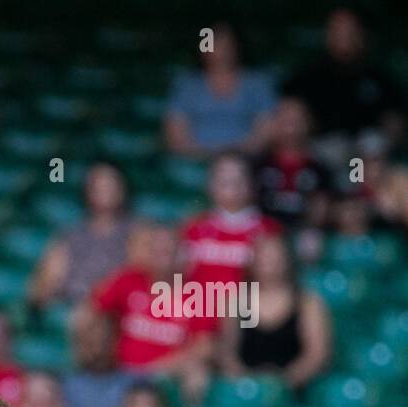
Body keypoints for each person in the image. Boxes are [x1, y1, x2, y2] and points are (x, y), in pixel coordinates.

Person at [76, 223, 215, 403]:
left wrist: (156, 369)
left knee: (197, 373)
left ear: (180, 254)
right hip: (120, 372)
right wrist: (91, 348)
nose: (162, 256)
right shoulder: (129, 280)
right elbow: (90, 311)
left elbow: (204, 347)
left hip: (166, 378)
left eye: (168, 250)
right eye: (157, 250)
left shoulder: (197, 292)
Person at [282, 8, 405, 169]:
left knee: (371, 147)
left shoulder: (379, 79)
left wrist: (388, 136)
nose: (344, 37)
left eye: (350, 31)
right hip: (322, 150)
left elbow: (394, 123)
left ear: (363, 36)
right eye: (338, 30)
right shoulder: (307, 77)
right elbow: (289, 116)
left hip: (366, 153)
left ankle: (363, 190)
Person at [219, 234, 330, 391]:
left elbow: (317, 354)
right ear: (253, 262)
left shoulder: (307, 302)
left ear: (287, 260)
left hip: (296, 389)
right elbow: (226, 353)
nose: (271, 263)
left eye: (277, 257)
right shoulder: (236, 301)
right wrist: (247, 383)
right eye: (264, 257)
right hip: (245, 390)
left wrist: (284, 382)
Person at [28, 162, 134, 308]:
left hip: (110, 308)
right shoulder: (71, 233)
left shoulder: (137, 232)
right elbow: (48, 279)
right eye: (98, 185)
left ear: (122, 189)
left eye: (110, 184)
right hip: (71, 303)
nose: (104, 190)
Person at [163, 22, 276, 157]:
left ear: (237, 46)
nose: (220, 49)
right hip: (194, 163)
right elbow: (175, 137)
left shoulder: (257, 83)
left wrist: (234, 156)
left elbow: (266, 133)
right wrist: (209, 154)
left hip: (245, 161)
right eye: (213, 42)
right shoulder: (187, 85)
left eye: (225, 43)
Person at [183, 151, 283, 289]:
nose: (231, 186)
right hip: (197, 307)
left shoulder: (269, 230)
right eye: (223, 179)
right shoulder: (193, 228)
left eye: (238, 179)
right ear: (209, 185)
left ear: (252, 184)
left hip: (248, 309)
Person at [253, 98, 331, 259]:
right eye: (284, 119)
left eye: (297, 120)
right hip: (264, 232)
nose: (291, 126)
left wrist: (311, 228)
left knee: (311, 242)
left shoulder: (320, 167)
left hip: (302, 232)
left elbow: (320, 208)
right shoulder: (258, 163)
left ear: (309, 124)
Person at [61, 312, 138, 407]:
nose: (99, 348)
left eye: (105, 340)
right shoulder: (67, 382)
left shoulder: (132, 381)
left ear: (115, 342)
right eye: (92, 341)